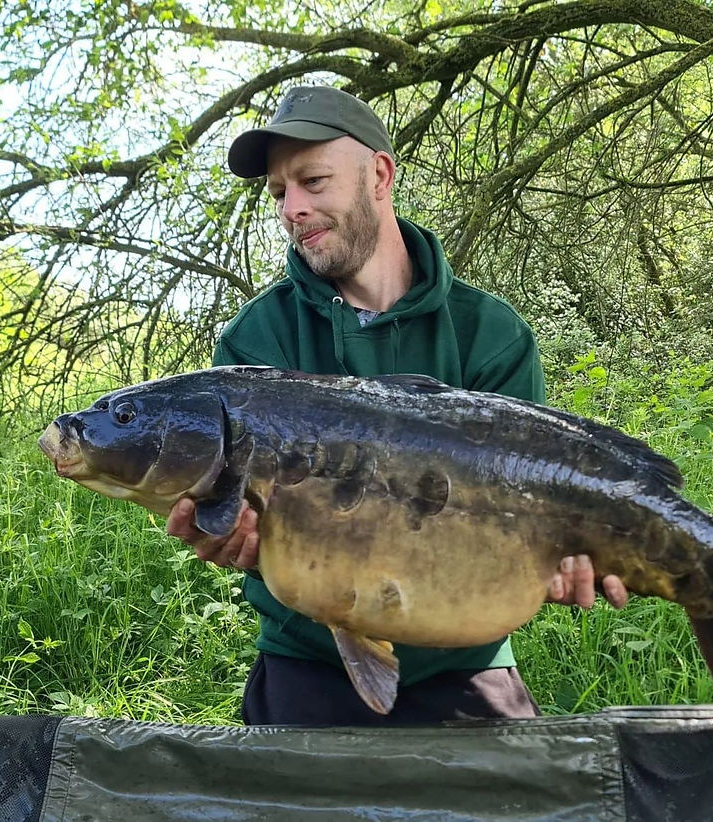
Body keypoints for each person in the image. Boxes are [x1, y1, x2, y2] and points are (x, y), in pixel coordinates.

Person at [167, 85, 628, 726]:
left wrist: (570, 553)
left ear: (379, 174)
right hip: (308, 663)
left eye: (313, 180)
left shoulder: (489, 333)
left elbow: (537, 505)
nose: (292, 208)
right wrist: (225, 537)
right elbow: (236, 521)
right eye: (279, 192)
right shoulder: (256, 341)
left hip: (467, 662)